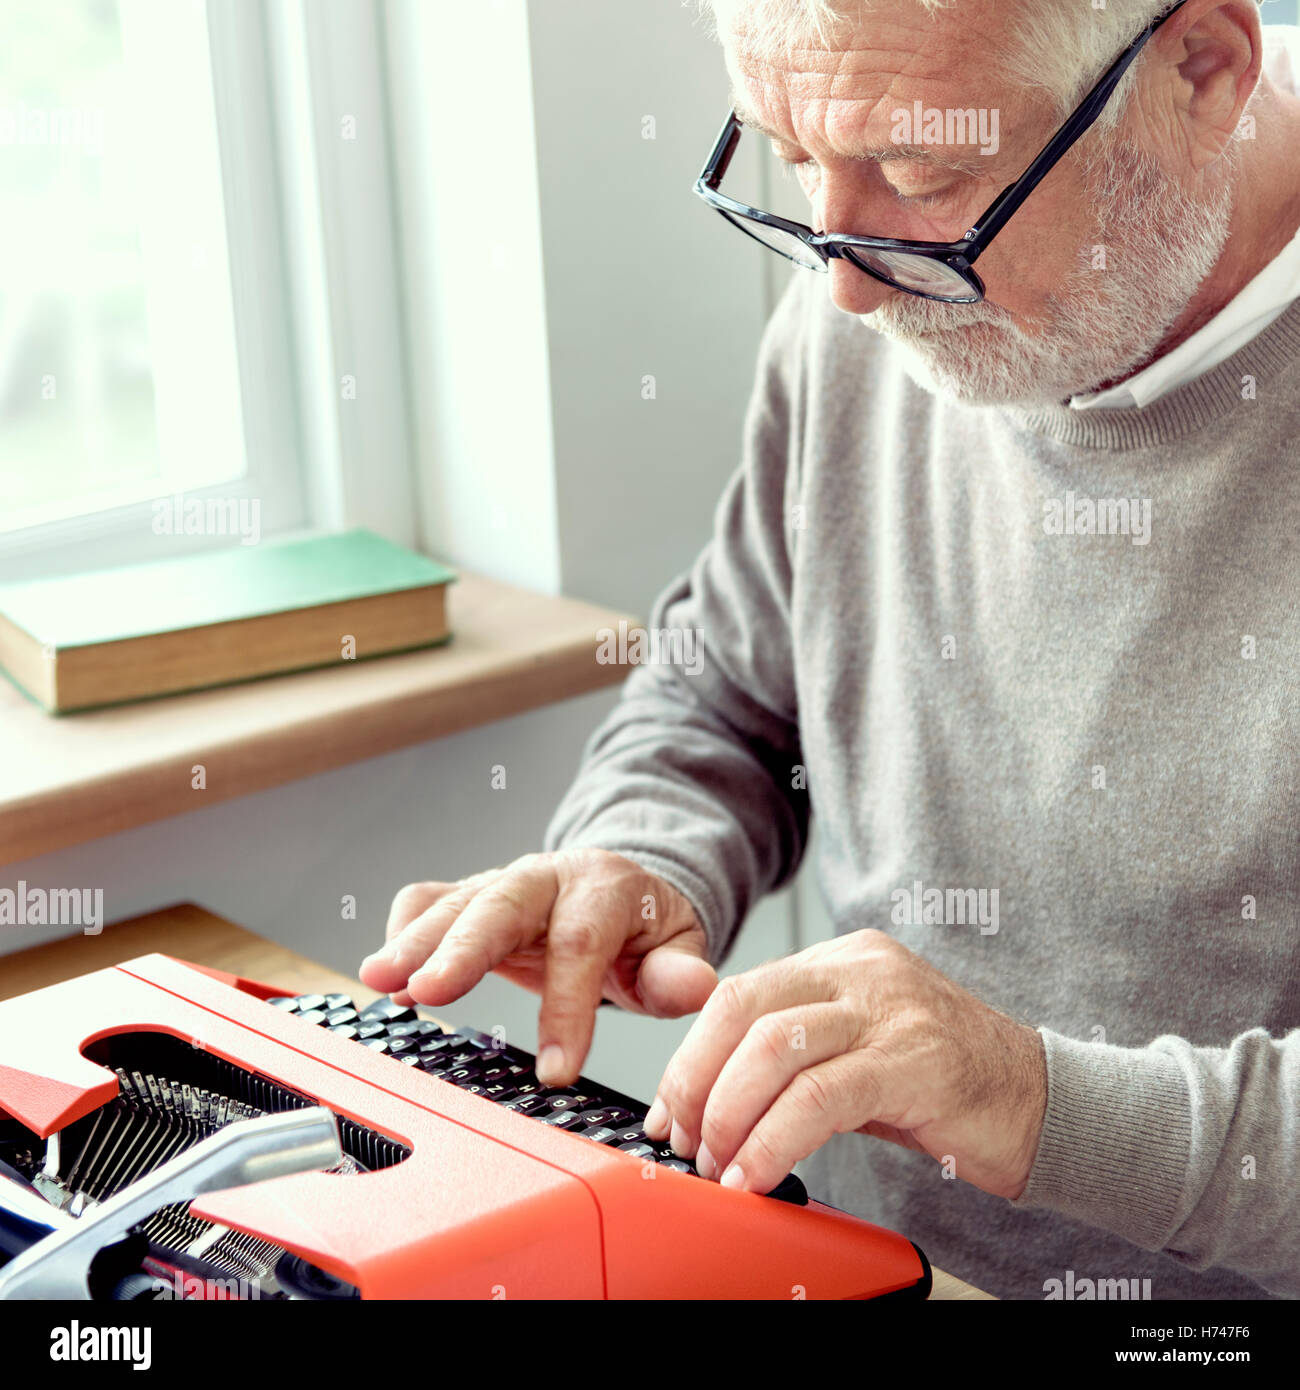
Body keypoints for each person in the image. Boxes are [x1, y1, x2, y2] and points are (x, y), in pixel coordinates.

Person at [362, 0, 1300, 1298]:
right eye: (790, 154)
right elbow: (734, 688)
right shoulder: (873, 289)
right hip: (858, 1266)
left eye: (926, 176)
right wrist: (641, 847)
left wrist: (1033, 1103)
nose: (842, 282)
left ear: (1202, 68)